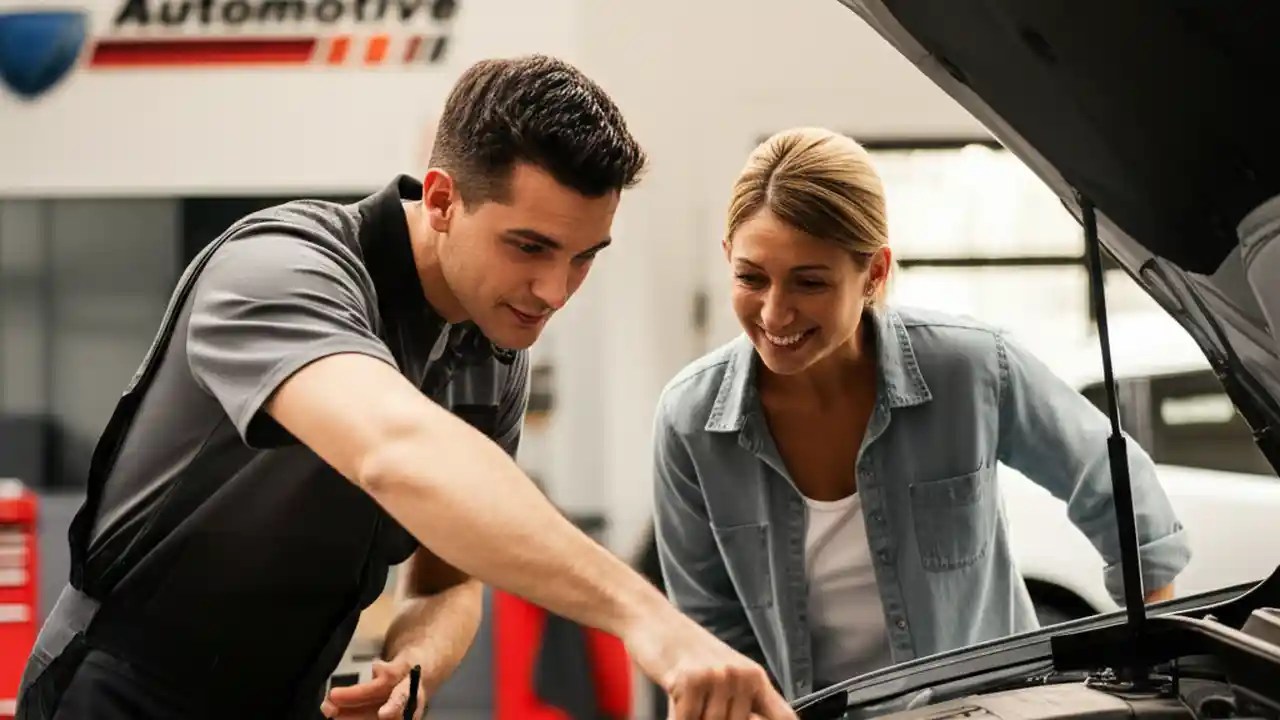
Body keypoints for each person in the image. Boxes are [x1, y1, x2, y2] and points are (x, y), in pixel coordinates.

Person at [17, 55, 797, 720]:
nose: (555, 289)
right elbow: (394, 450)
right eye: (530, 246)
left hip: (289, 696)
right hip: (122, 690)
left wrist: (416, 657)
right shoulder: (282, 271)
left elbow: (447, 575)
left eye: (585, 256)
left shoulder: (492, 349)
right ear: (444, 199)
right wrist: (649, 620)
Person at [650, 127, 1192, 700]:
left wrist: (1154, 653)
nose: (775, 312)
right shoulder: (691, 421)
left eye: (809, 282)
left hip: (990, 712)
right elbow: (709, 626)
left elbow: (1114, 481)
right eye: (750, 277)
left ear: (875, 274)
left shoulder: (971, 367)